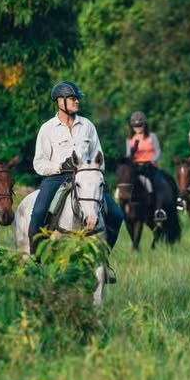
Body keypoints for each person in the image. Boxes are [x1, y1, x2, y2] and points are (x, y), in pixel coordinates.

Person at [29, 81, 124, 263]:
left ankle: (104, 259)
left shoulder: (87, 125)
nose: (77, 102)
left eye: (77, 98)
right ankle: (35, 260)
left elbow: (99, 156)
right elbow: (38, 163)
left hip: (87, 179)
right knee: (38, 214)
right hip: (57, 178)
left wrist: (93, 173)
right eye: (73, 98)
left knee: (117, 215)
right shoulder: (47, 129)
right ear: (60, 101)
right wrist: (58, 167)